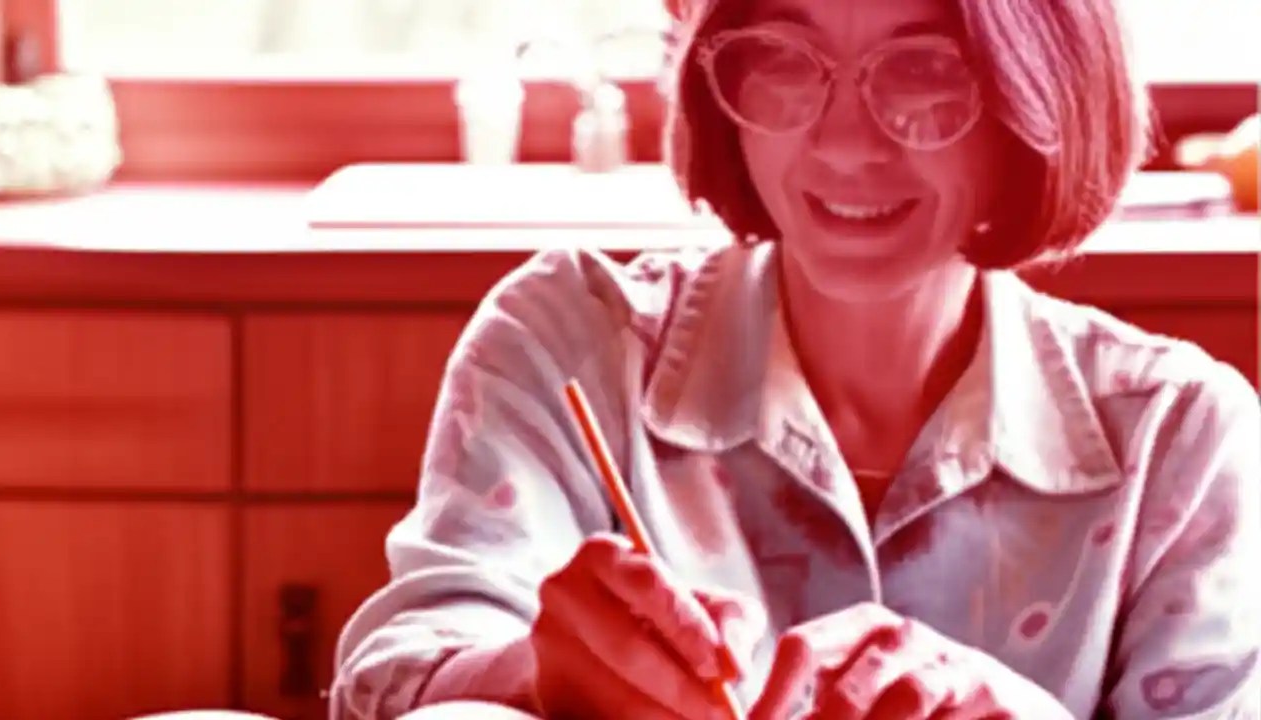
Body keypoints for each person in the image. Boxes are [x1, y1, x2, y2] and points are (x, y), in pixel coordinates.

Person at [328, 0, 1261, 717]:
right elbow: (390, 674)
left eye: (925, 71)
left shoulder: (1178, 438)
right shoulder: (573, 343)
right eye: (782, 60)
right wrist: (529, 672)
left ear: (1034, 91)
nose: (848, 143)